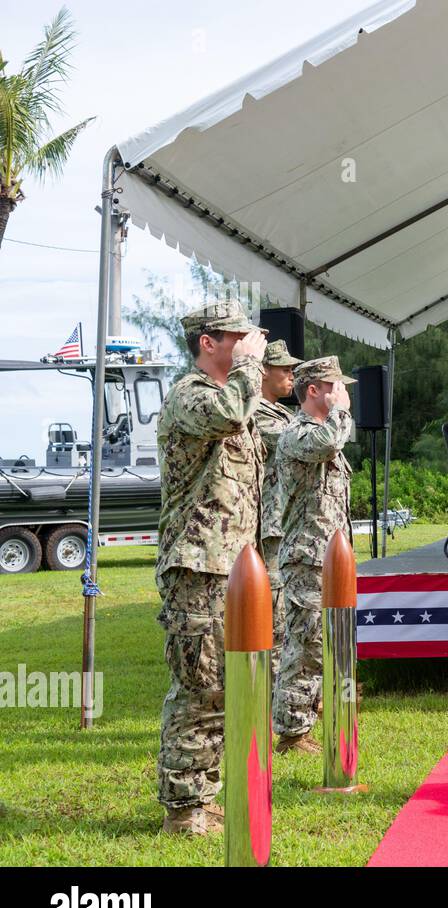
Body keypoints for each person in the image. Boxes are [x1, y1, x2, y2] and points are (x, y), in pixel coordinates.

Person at [155, 300, 266, 835]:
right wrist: (248, 369)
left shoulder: (234, 400)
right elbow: (229, 413)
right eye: (238, 337)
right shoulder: (190, 397)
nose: (249, 345)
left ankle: (205, 793)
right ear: (208, 342)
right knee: (199, 686)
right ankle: (183, 808)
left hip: (233, 568)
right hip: (197, 566)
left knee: (227, 686)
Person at [272, 356, 355, 753]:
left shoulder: (324, 431)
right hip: (307, 554)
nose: (342, 395)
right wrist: (340, 413)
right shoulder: (299, 433)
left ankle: (310, 714)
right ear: (313, 391)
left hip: (329, 557)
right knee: (306, 644)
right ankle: (292, 731)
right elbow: (330, 443)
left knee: (325, 640)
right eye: (334, 387)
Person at [254, 339, 303, 680]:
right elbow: (299, 443)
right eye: (284, 369)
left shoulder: (283, 413)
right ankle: (270, 690)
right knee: (273, 611)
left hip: (286, 521)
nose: (291, 375)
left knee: (286, 607)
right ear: (263, 372)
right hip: (268, 524)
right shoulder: (255, 411)